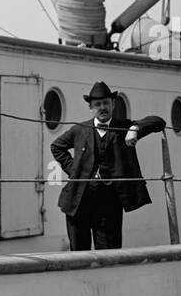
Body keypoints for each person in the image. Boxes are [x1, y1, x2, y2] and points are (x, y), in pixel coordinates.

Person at [50, 80, 166, 250]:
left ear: (113, 104)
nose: (102, 107)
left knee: (109, 255)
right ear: (91, 108)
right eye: (97, 104)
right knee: (78, 257)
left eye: (106, 103)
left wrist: (135, 128)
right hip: (78, 202)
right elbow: (57, 146)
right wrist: (74, 170)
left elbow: (158, 122)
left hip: (109, 204)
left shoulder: (124, 127)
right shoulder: (79, 130)